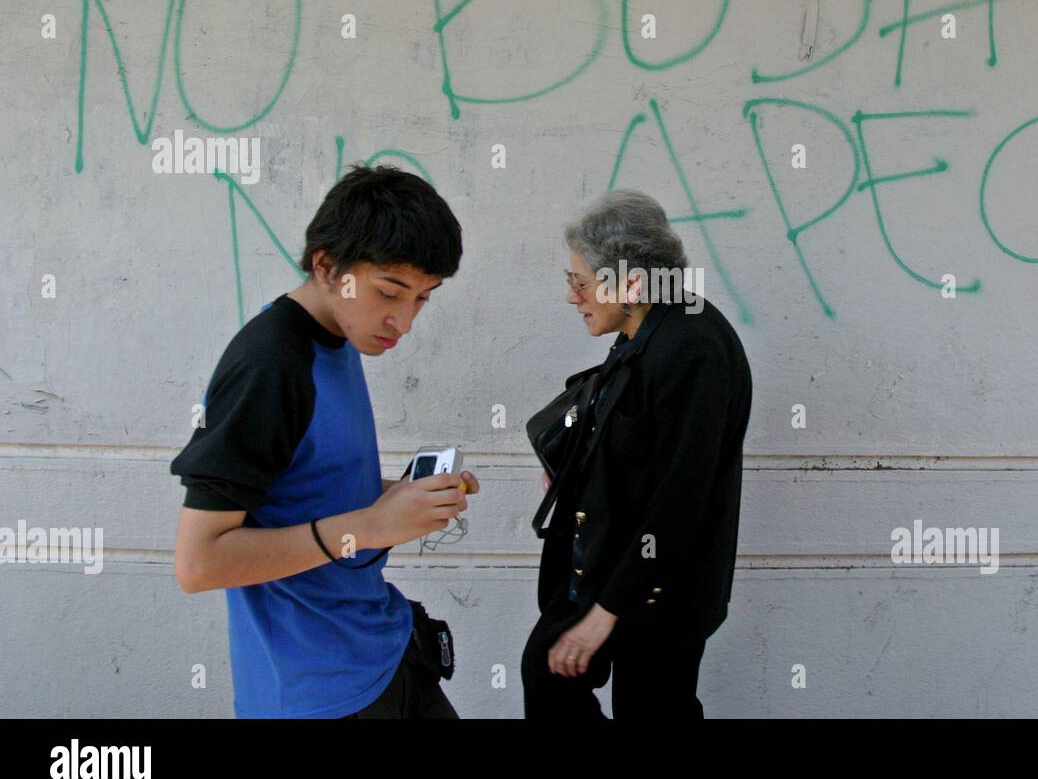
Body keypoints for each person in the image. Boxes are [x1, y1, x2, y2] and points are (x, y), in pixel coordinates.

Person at [170, 164, 478, 719]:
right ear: (328, 267)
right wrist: (377, 525)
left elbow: (306, 490)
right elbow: (200, 562)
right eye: (391, 292)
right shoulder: (270, 365)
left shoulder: (338, 339)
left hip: (386, 651)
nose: (403, 321)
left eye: (423, 299)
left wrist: (407, 498)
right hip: (318, 695)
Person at [521, 189, 753, 719]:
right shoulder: (649, 326)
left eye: (579, 283)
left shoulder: (691, 345)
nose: (571, 296)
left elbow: (680, 496)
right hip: (608, 564)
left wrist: (607, 612)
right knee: (547, 672)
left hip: (655, 593)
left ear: (626, 281)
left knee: (652, 707)